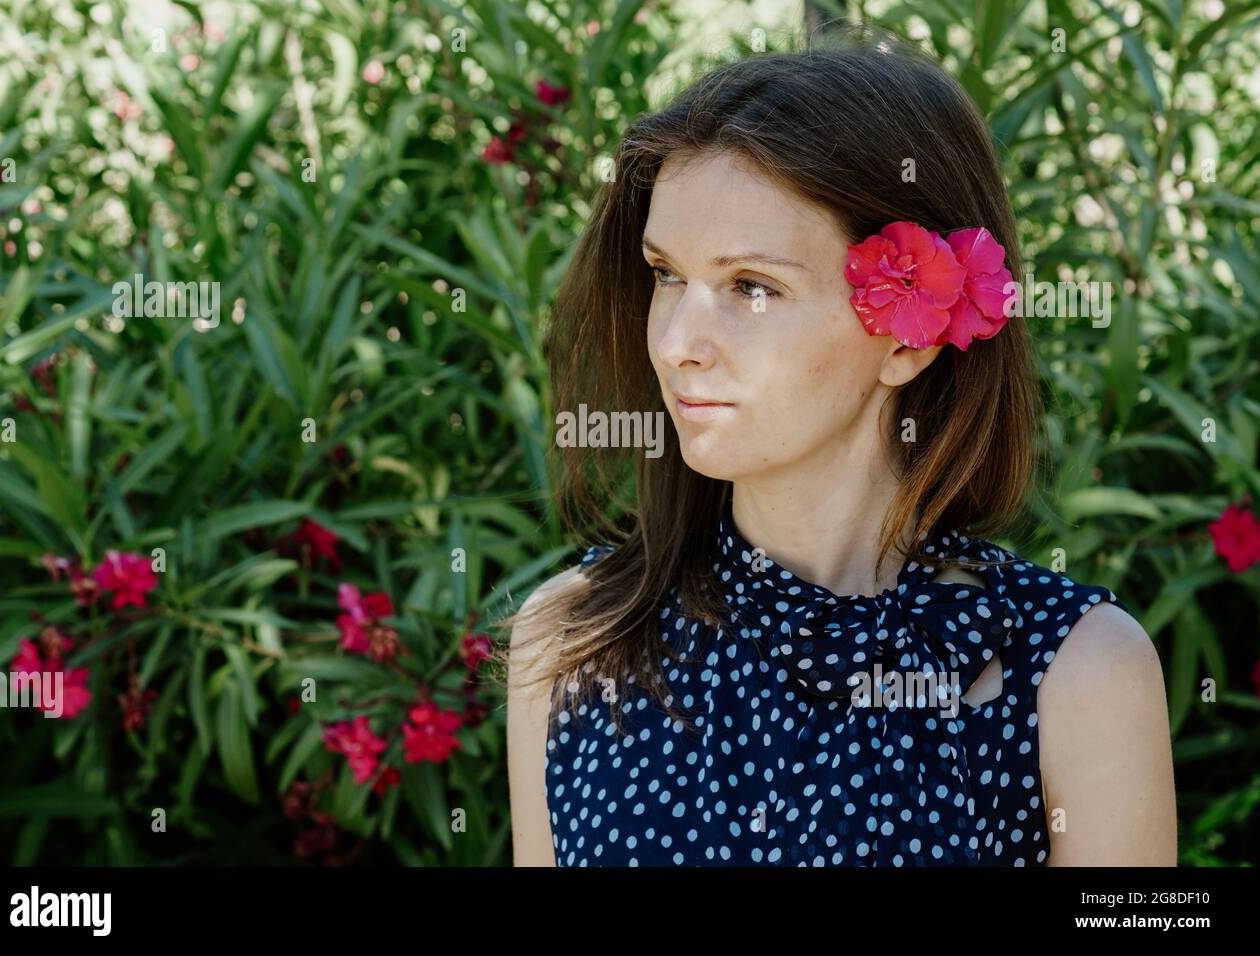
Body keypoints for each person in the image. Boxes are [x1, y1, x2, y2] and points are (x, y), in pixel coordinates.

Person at [504, 36, 1177, 867]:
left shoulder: (1079, 674)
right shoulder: (573, 642)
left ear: (910, 333)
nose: (677, 342)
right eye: (667, 274)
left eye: (753, 286)